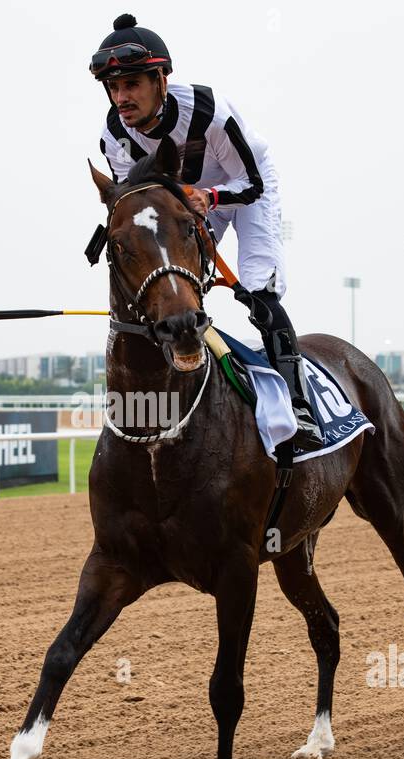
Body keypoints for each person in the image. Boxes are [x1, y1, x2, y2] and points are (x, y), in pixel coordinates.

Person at [90, 14, 324, 450]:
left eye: (132, 84)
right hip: (185, 201)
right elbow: (142, 207)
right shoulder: (113, 138)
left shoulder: (209, 112)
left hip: (243, 188)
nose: (121, 98)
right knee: (176, 286)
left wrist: (211, 198)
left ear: (161, 79)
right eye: (113, 88)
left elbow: (252, 184)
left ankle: (299, 407)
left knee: (257, 286)